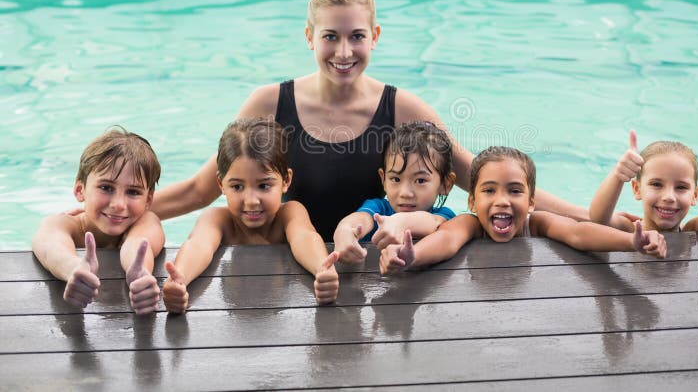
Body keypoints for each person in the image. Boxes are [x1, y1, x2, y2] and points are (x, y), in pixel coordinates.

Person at [151, 0, 589, 241]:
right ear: (309, 38)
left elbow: (481, 179)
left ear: (374, 37)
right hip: (283, 273)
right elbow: (201, 188)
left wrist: (592, 217)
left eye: (356, 36)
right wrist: (105, 213)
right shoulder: (268, 104)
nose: (344, 52)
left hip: (377, 271)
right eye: (330, 37)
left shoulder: (404, 111)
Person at [380, 146, 666, 274]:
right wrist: (413, 256)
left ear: (531, 202)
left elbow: (578, 233)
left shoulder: (535, 222)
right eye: (489, 190)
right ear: (471, 201)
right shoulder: (471, 224)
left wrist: (631, 242)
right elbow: (447, 240)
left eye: (515, 190)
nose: (502, 200)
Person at [161, 118, 338, 313]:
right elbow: (199, 245)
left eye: (264, 186)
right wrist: (180, 280)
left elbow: (304, 237)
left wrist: (322, 269)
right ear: (221, 185)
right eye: (237, 187)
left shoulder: (289, 213)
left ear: (286, 180)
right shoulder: (218, 220)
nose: (251, 200)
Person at [32, 128, 164, 314]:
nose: (118, 204)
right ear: (80, 190)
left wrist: (140, 272)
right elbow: (49, 241)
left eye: (133, 192)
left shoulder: (147, 222)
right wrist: (74, 268)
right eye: (106, 187)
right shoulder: (66, 223)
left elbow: (139, 244)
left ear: (148, 200)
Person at [333, 121, 456, 263]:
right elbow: (361, 218)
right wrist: (345, 230)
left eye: (420, 181)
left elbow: (432, 222)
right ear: (383, 179)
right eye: (396, 179)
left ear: (446, 184)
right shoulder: (379, 209)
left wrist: (401, 222)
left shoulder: (444, 216)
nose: (405, 193)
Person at [588, 131, 698, 233]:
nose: (669, 197)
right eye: (656, 184)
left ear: (695, 195)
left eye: (681, 187)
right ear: (637, 189)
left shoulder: (693, 232)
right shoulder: (628, 230)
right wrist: (618, 175)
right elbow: (599, 219)